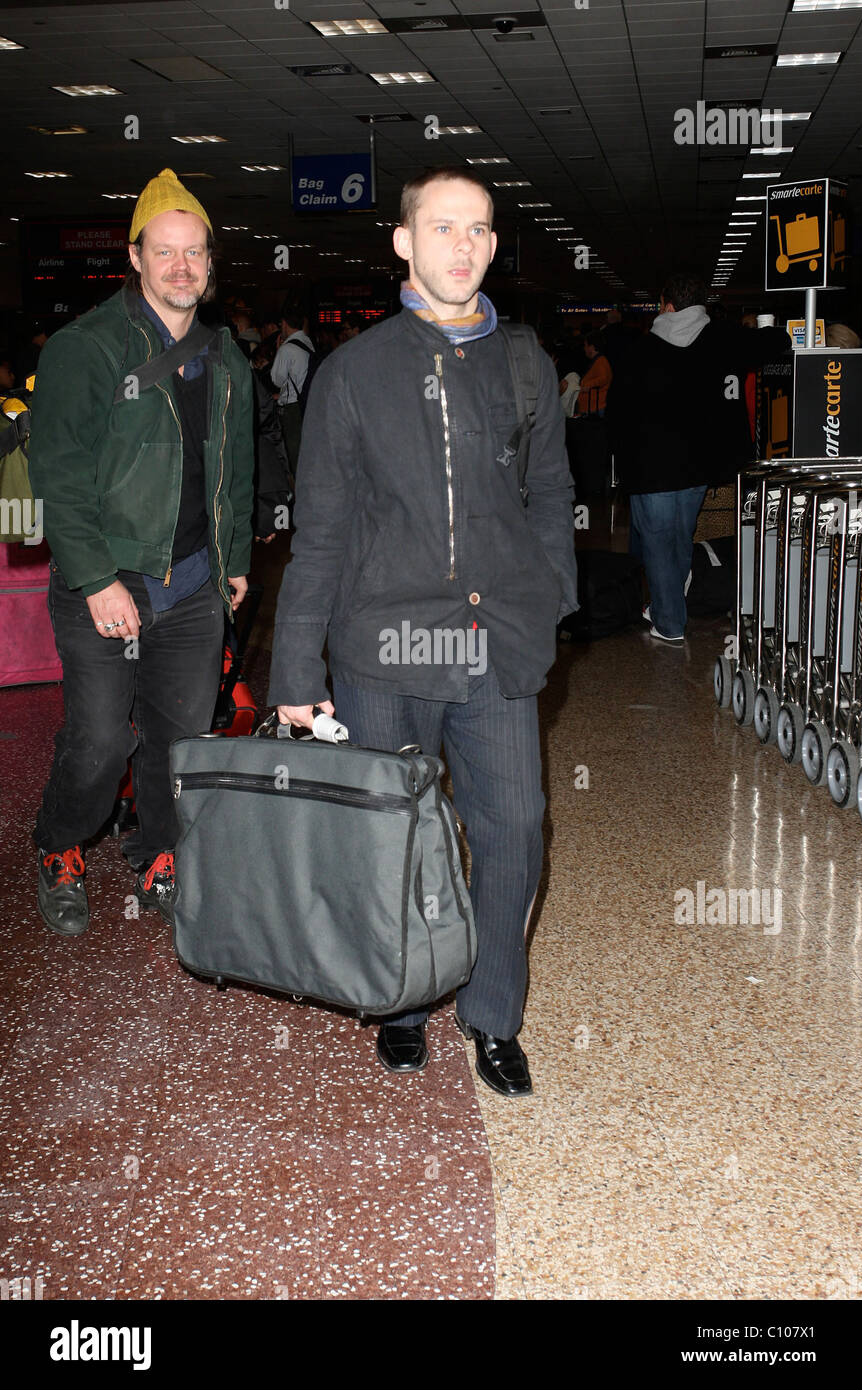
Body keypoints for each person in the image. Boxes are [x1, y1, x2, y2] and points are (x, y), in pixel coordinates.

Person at [268, 166, 576, 1098]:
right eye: (442, 227)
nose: (463, 246)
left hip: (494, 642)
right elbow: (320, 533)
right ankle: (403, 1000)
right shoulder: (353, 373)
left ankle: (493, 1014)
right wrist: (295, 667)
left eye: (478, 228)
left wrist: (551, 600)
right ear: (403, 242)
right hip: (385, 647)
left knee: (514, 829)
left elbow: (552, 492)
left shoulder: (525, 363)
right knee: (396, 835)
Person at [28, 167, 255, 936]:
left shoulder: (226, 356)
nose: (181, 267)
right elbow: (59, 475)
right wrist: (96, 580)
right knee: (99, 738)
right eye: (165, 251)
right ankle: (60, 842)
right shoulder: (85, 348)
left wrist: (233, 558)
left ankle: (159, 852)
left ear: (210, 261)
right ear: (134, 257)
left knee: (180, 740)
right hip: (107, 578)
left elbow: (237, 465)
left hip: (192, 585)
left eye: (195, 252)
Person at [608, 272, 790, 644]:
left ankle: (670, 623)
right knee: (679, 538)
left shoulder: (639, 350)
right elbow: (776, 342)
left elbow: (617, 411)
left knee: (658, 543)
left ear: (667, 305)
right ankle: (666, 605)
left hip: (650, 466)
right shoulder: (722, 337)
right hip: (697, 465)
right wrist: (774, 327)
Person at [270, 302, 315, 483]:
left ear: (285, 324)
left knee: (292, 452)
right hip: (306, 403)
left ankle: (297, 489)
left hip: (291, 409)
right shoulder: (308, 342)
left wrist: (278, 352)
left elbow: (277, 380)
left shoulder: (287, 349)